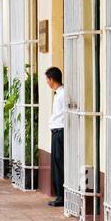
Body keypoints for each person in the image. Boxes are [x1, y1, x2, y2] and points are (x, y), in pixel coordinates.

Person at [46, 67, 66, 208]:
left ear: (52, 79)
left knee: (59, 164)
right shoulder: (59, 94)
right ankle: (60, 194)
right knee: (56, 164)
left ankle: (61, 196)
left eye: (47, 79)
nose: (47, 82)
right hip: (56, 131)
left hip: (60, 132)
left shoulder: (63, 94)